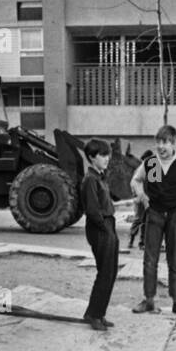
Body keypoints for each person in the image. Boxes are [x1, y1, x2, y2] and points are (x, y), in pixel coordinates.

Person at [130, 124, 176, 318]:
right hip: (154, 215)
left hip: (174, 217)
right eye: (158, 142)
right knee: (150, 260)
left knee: (174, 260)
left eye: (165, 142)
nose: (161, 146)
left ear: (173, 143)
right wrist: (143, 198)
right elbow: (135, 180)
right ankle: (149, 300)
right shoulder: (151, 163)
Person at [80, 138, 119, 331]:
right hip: (100, 228)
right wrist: (106, 230)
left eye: (107, 154)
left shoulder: (100, 177)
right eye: (102, 155)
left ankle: (96, 313)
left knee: (110, 273)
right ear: (91, 157)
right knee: (105, 273)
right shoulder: (90, 180)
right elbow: (93, 211)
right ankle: (94, 316)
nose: (107, 158)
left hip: (107, 226)